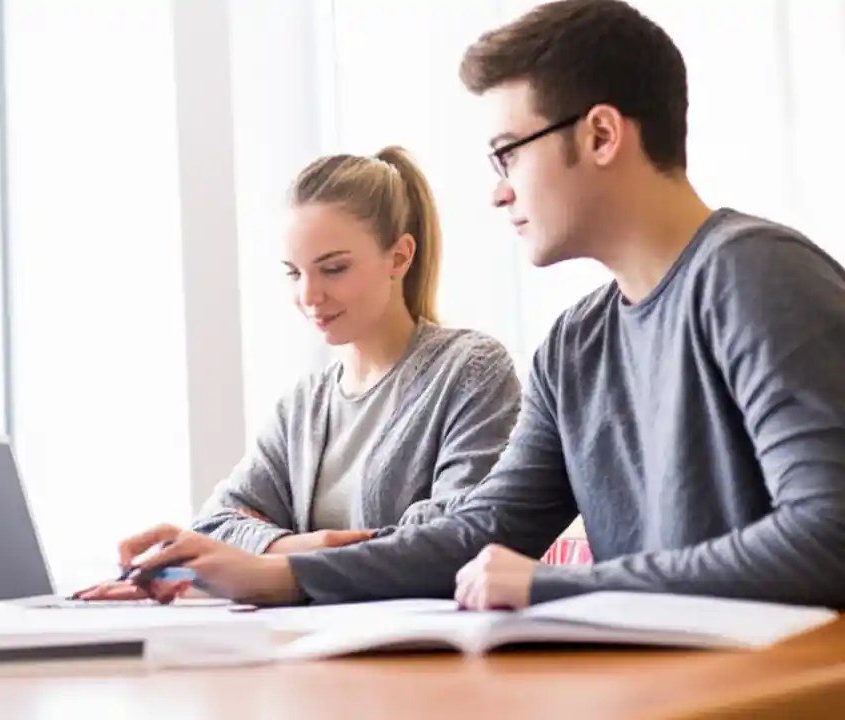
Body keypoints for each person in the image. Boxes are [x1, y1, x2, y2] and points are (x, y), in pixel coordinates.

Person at [99, 0, 845, 611]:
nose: (497, 189)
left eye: (508, 153)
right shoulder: (575, 346)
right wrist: (276, 575)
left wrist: (556, 586)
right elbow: (481, 531)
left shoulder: (754, 275)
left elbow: (828, 537)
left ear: (602, 133)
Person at [76, 146, 520, 601]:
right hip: (313, 650)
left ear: (400, 257)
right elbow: (215, 524)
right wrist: (304, 546)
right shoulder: (304, 406)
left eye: (334, 268)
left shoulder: (470, 370)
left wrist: (270, 565)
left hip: (421, 657)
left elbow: (454, 537)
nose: (309, 296)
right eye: (293, 273)